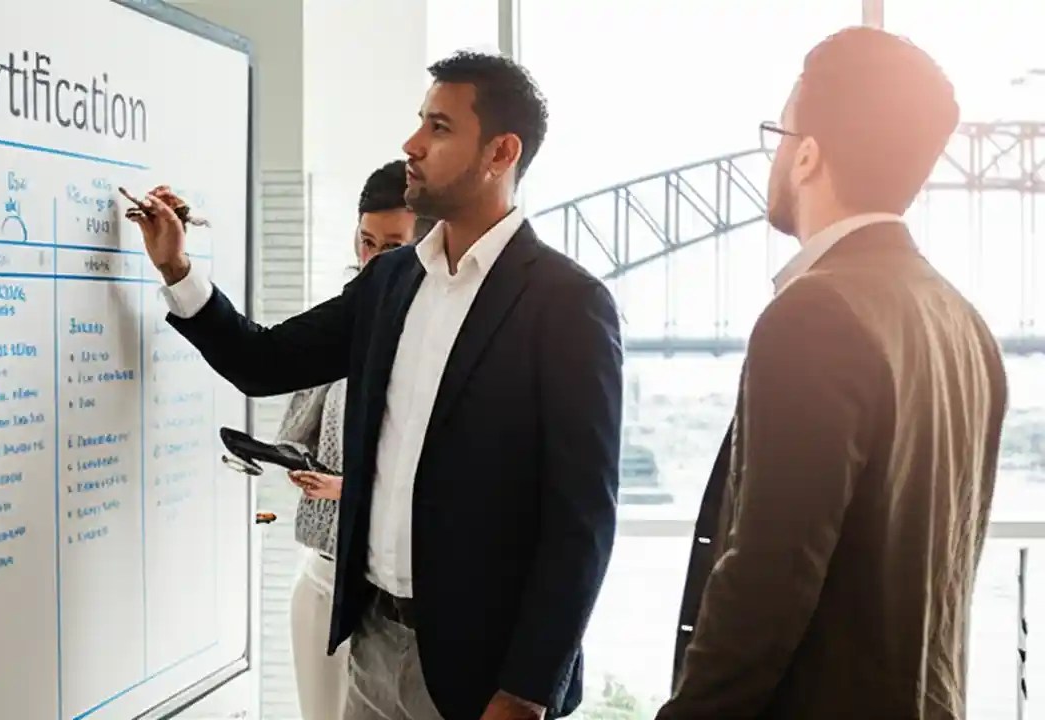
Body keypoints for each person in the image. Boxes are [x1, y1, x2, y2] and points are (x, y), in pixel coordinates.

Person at [128, 50, 623, 720]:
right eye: (421, 122)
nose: (411, 145)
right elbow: (263, 361)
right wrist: (178, 268)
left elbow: (580, 522)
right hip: (370, 648)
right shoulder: (391, 283)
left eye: (440, 128)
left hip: (482, 680)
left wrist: (526, 692)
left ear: (501, 152)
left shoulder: (567, 303)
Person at [659, 26, 1007, 720]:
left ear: (808, 155)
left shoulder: (814, 315)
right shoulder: (964, 324)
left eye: (779, 134)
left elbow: (767, 580)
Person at [273, 159, 427, 720]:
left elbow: (440, 481)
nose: (373, 260)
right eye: (365, 242)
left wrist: (350, 487)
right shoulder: (349, 318)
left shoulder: (437, 344)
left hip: (386, 595)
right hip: (320, 571)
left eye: (392, 246)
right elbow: (295, 428)